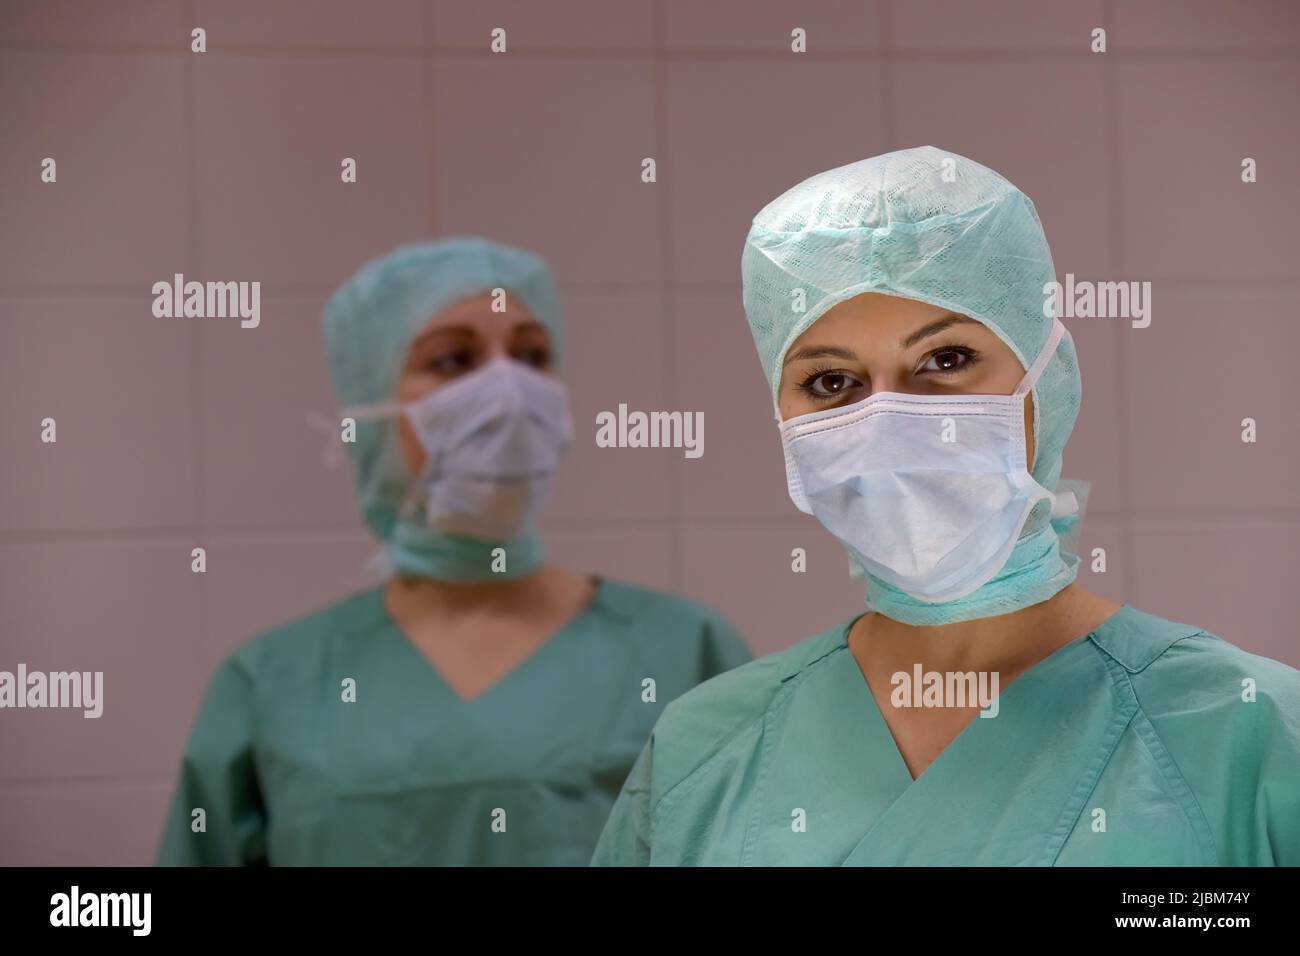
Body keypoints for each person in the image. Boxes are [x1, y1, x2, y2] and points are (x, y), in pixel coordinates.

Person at [591, 146, 1300, 866]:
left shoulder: (1249, 734)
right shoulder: (699, 754)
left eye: (947, 360)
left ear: (1045, 382)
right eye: (832, 381)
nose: (892, 422)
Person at [157, 237, 750, 866]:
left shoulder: (686, 652)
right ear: (371, 409)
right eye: (452, 361)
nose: (509, 391)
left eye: (531, 355)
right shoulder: (271, 684)